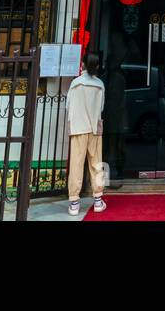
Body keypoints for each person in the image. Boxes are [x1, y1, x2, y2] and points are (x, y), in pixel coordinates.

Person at [66, 52, 106, 216]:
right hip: (94, 129)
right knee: (96, 163)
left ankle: (74, 202)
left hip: (78, 127)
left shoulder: (75, 83)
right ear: (96, 66)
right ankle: (98, 199)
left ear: (82, 64)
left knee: (76, 164)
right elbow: (102, 107)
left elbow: (68, 105)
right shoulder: (99, 84)